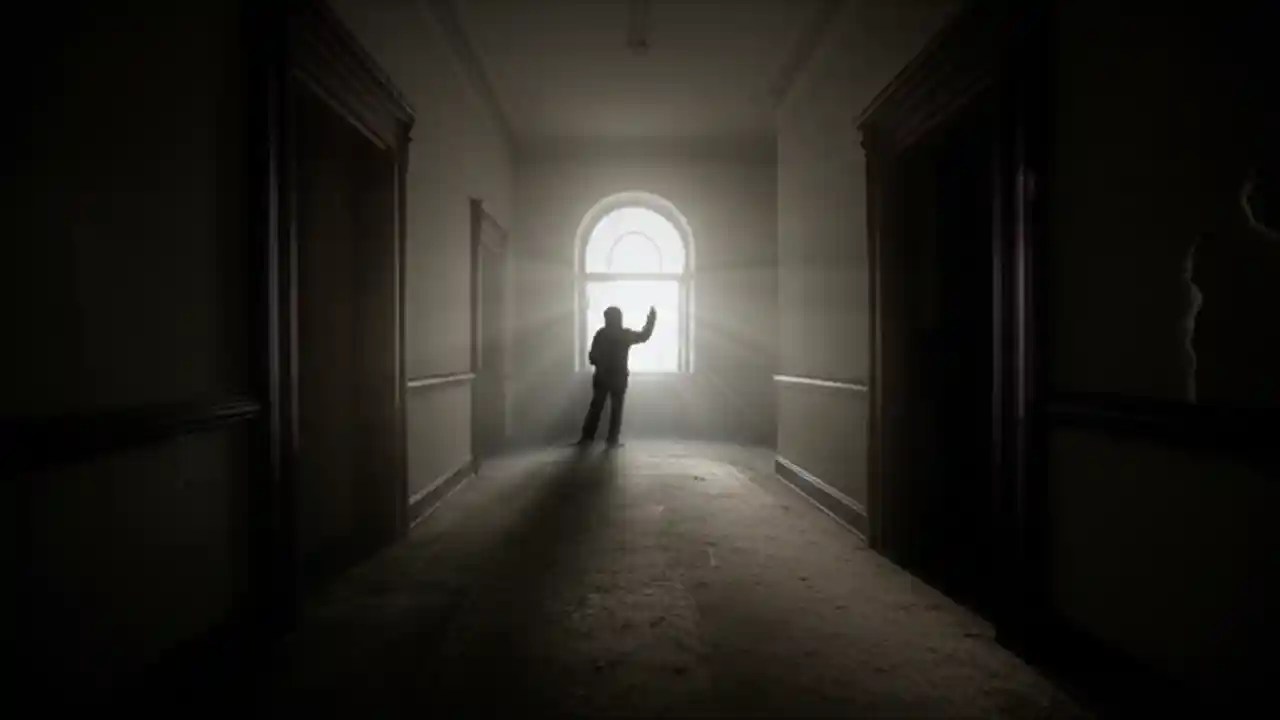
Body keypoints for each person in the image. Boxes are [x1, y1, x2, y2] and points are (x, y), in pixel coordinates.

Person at [578, 305, 656, 447]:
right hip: (619, 378)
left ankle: (587, 438)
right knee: (616, 410)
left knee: (596, 408)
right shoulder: (624, 334)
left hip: (602, 377)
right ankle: (612, 439)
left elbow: (592, 356)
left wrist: (599, 363)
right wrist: (651, 321)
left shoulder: (601, 334)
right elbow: (644, 336)